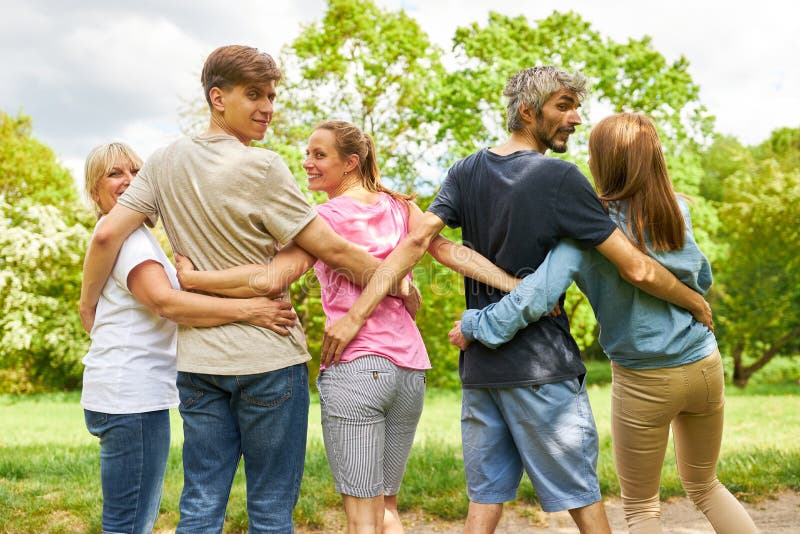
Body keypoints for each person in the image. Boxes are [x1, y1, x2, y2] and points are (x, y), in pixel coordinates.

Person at [320, 67, 714, 534]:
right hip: (542, 370)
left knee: (483, 504)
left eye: (575, 107)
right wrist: (694, 300)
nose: (574, 118)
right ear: (528, 111)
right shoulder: (562, 179)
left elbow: (418, 243)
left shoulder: (465, 169)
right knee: (584, 500)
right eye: (563, 106)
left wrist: (353, 318)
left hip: (482, 370)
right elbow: (637, 267)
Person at [174, 120, 519, 534]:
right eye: (308, 154)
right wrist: (516, 286)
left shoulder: (321, 218)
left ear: (351, 162)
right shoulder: (399, 205)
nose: (307, 163)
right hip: (409, 371)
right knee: (387, 508)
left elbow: (270, 279)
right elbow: (448, 251)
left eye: (319, 155)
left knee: (360, 517)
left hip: (356, 366)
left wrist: (195, 281)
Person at [450, 112, 758, 534]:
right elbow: (699, 279)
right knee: (705, 485)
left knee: (642, 508)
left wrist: (475, 324)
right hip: (703, 362)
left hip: (644, 378)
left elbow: (535, 298)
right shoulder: (678, 209)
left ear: (601, 163)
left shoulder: (583, 231)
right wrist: (692, 301)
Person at [81, 142, 298, 534]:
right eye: (115, 174)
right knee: (130, 524)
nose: (129, 181)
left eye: (135, 171)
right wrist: (253, 310)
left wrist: (198, 279)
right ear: (94, 192)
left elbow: (178, 298)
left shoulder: (127, 238)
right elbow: (168, 304)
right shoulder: (130, 241)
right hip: (131, 395)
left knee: (143, 516)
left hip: (123, 392)